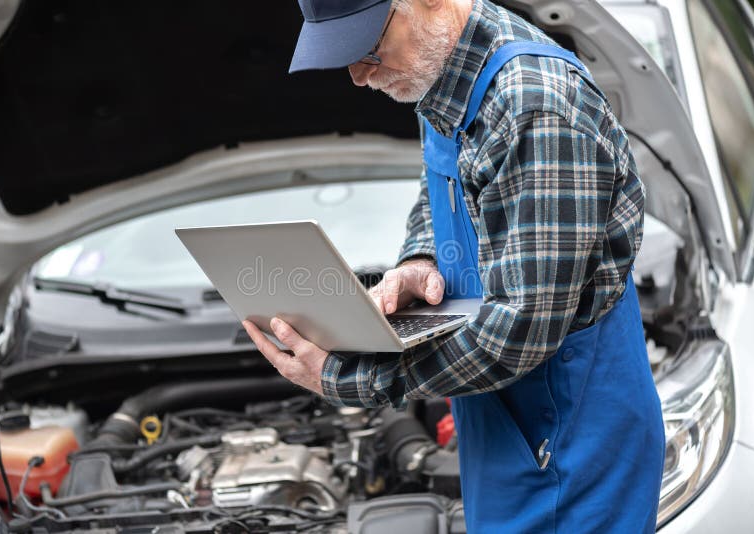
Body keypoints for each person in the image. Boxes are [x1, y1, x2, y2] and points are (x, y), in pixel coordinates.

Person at [242, 0, 666, 531]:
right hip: (502, 423)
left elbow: (521, 330)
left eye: (368, 50)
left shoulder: (536, 107)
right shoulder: (447, 74)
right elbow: (439, 187)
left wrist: (349, 377)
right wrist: (419, 259)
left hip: (573, 439)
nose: (357, 77)